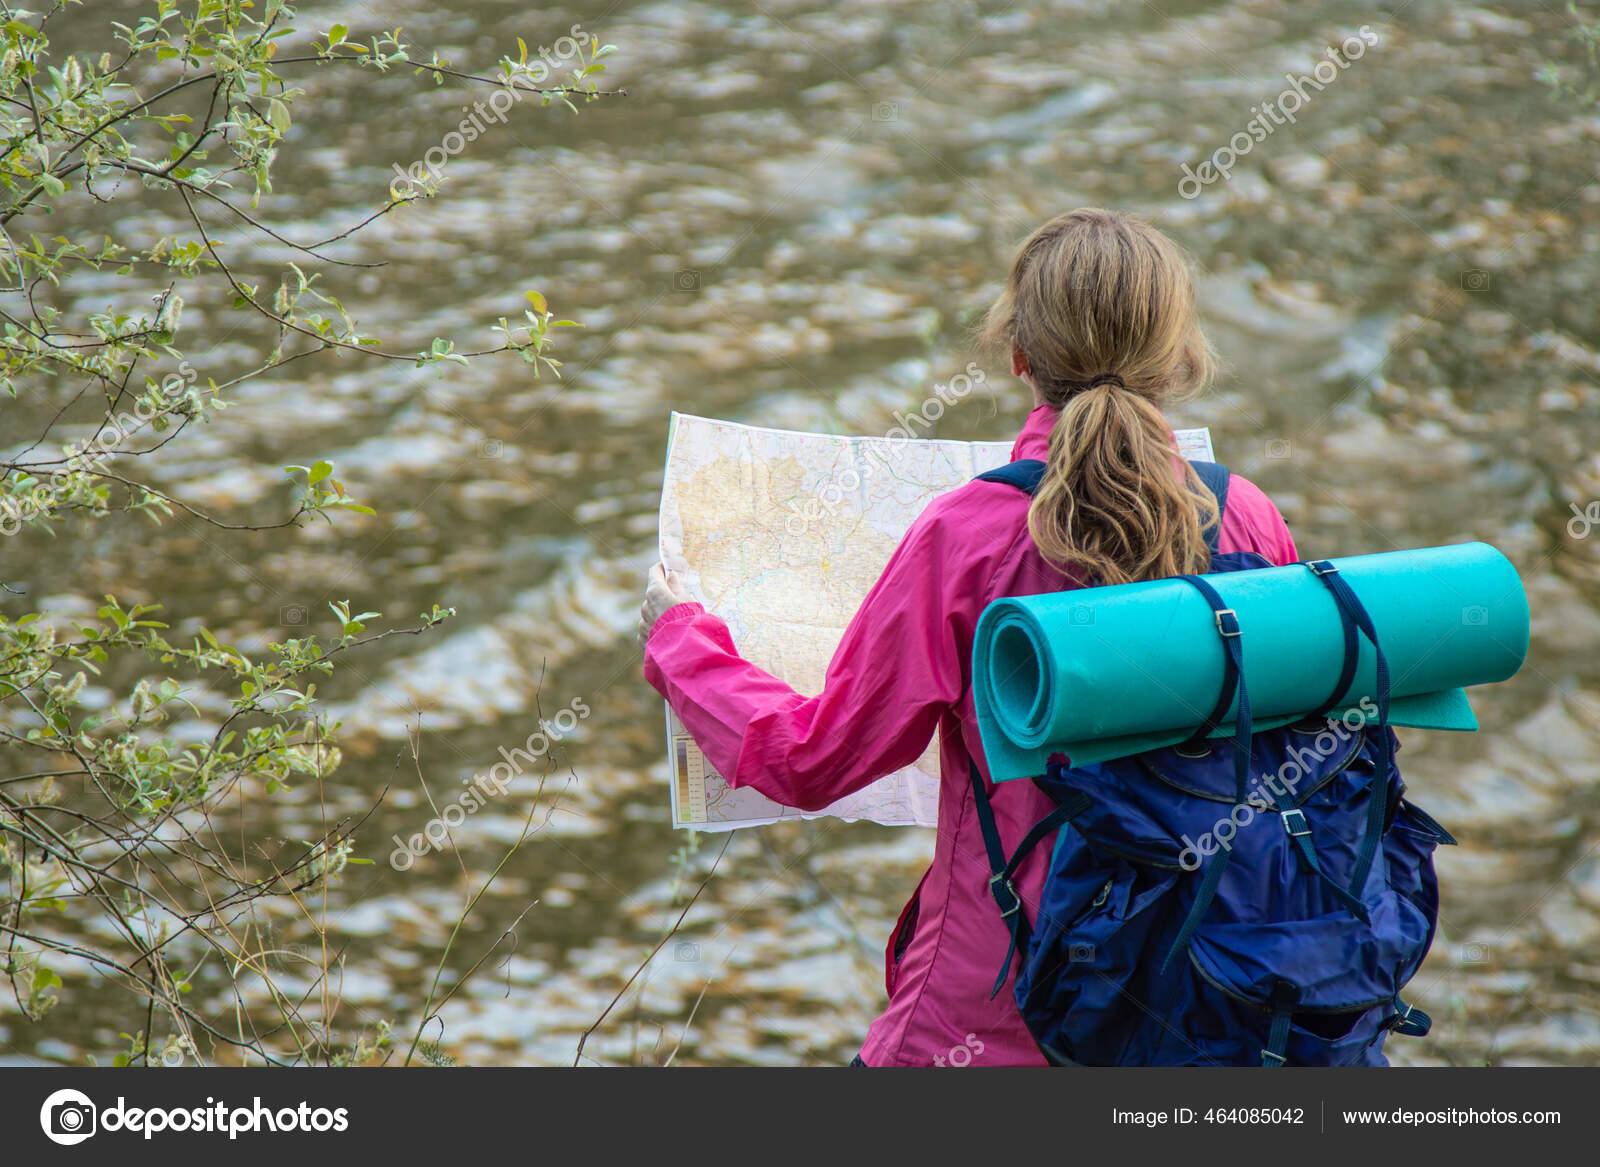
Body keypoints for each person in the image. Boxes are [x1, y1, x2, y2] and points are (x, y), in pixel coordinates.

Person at [637, 208, 1299, 1067]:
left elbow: (810, 760)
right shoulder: (1247, 518)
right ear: (1178, 358)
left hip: (987, 1015)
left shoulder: (968, 535)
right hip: (1205, 1002)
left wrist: (680, 642)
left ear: (1019, 354)